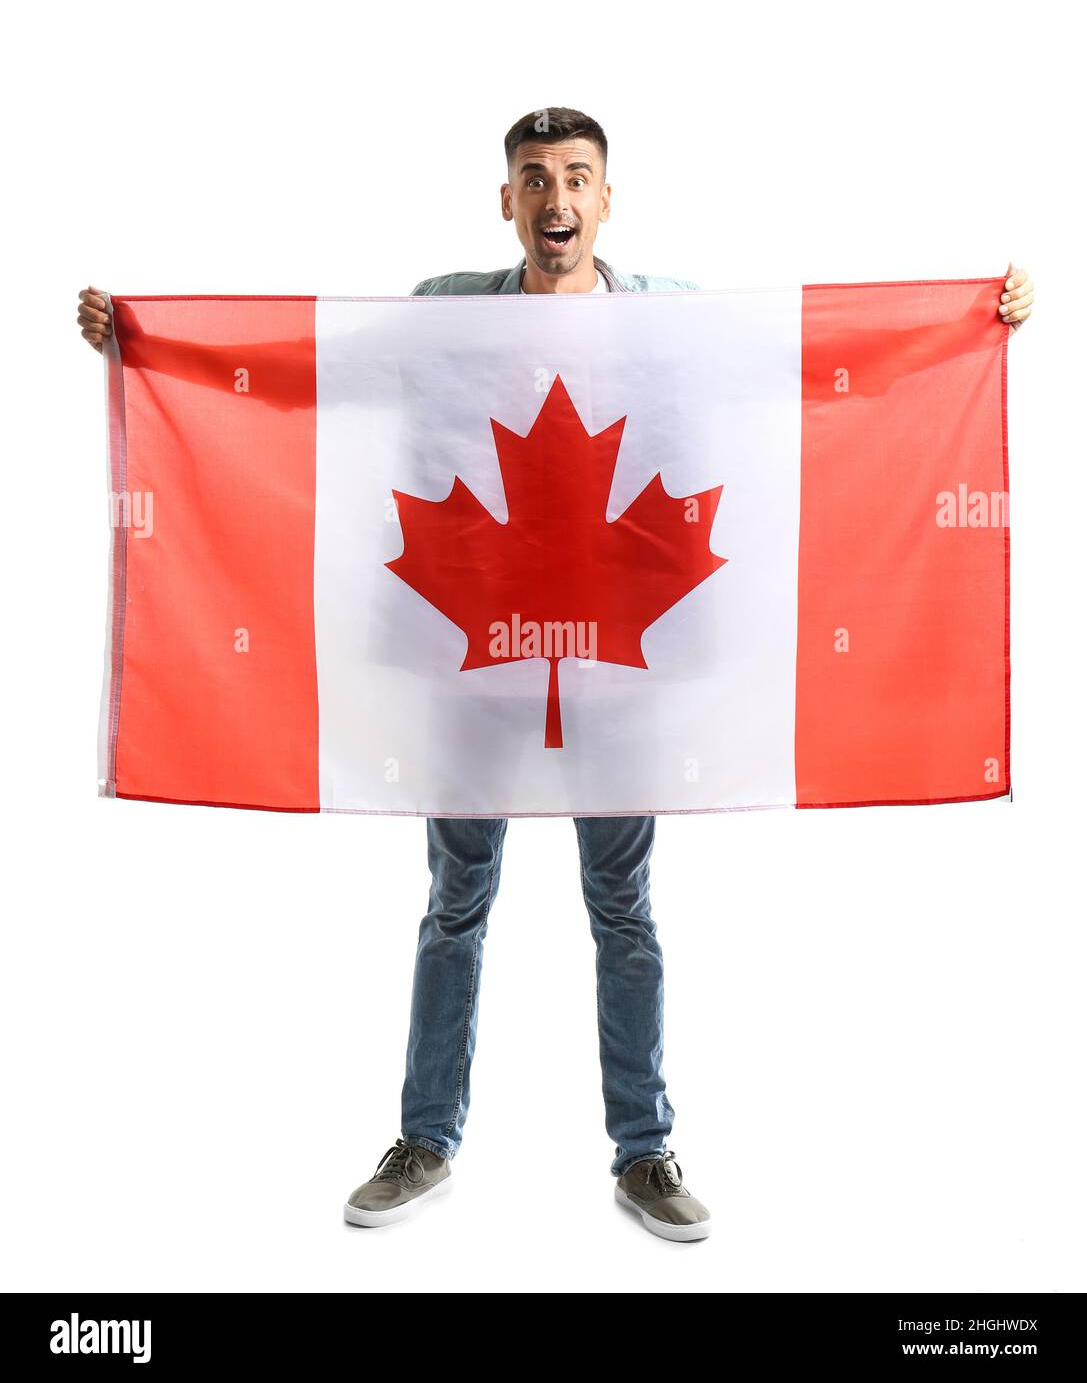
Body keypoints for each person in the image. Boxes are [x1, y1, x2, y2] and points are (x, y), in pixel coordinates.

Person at [76, 106, 1034, 1244]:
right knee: (454, 904)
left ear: (606, 199)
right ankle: (425, 1139)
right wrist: (149, 341)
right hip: (468, 657)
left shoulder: (670, 317)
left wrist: (969, 324)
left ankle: (644, 1151)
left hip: (616, 663)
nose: (555, 199)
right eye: (533, 178)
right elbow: (316, 374)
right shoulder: (444, 312)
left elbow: (806, 366)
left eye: (576, 176)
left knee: (621, 909)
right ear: (507, 201)